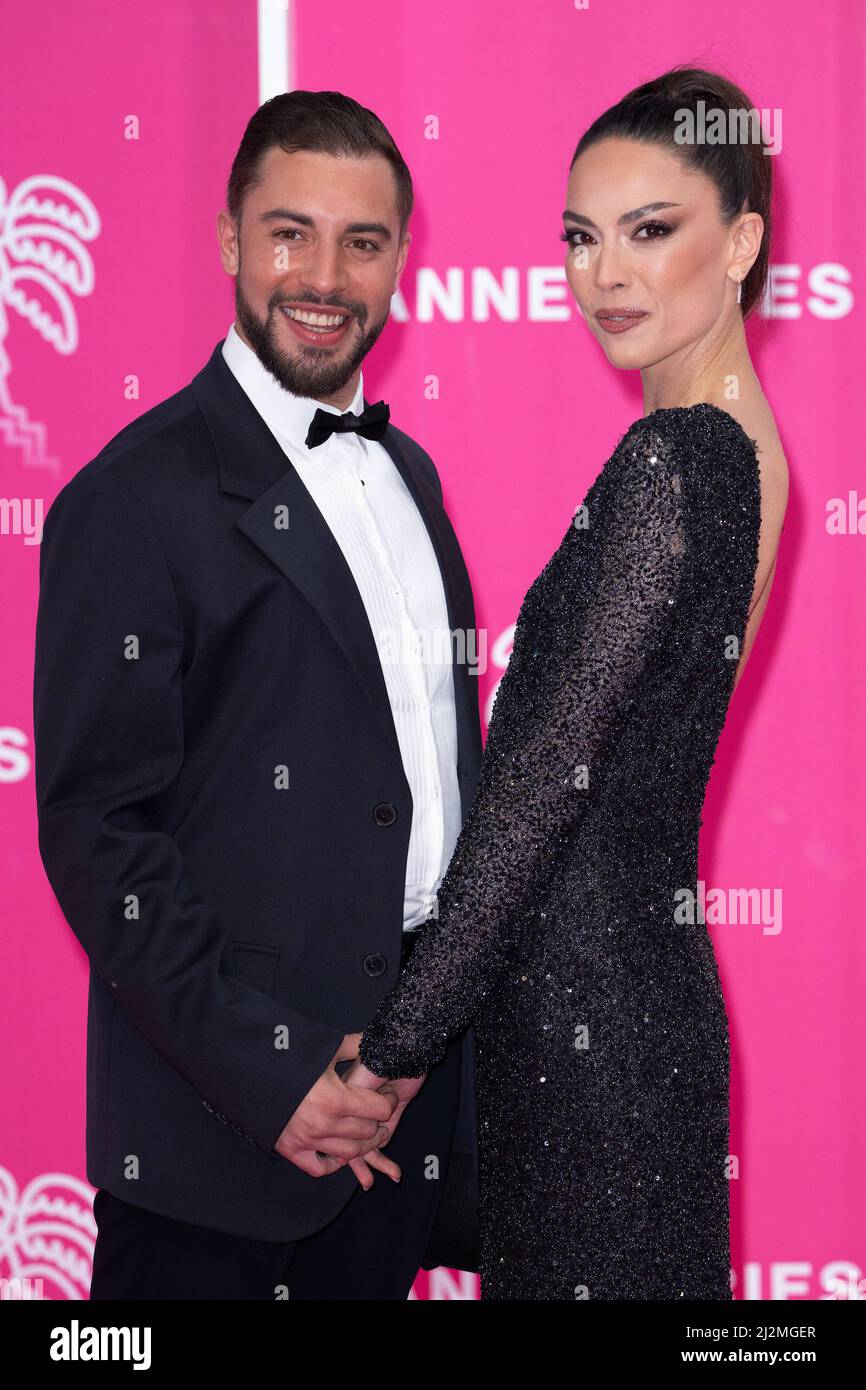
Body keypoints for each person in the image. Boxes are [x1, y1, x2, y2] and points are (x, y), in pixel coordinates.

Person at [33, 90, 482, 1300]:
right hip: (218, 1144)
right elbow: (95, 829)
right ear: (230, 237)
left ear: (400, 258)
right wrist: (276, 1073)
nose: (323, 275)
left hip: (399, 1118)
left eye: (362, 240)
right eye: (290, 233)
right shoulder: (135, 499)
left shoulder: (412, 474)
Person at [352, 67, 790, 1300]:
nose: (605, 274)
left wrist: (392, 1051)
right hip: (629, 1009)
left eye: (650, 232)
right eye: (581, 239)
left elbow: (543, 787)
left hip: (585, 1040)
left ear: (741, 240)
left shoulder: (671, 459)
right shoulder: (749, 450)